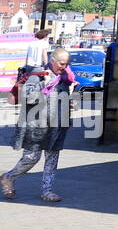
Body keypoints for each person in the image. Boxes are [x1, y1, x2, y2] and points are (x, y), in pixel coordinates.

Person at [1, 46, 77, 203]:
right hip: (36, 124)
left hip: (56, 125)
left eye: (66, 63)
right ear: (52, 61)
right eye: (61, 63)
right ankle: (8, 177)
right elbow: (26, 98)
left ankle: (47, 191)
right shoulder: (39, 75)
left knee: (52, 159)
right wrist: (45, 86)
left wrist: (70, 103)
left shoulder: (65, 78)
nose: (64, 67)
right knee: (31, 158)